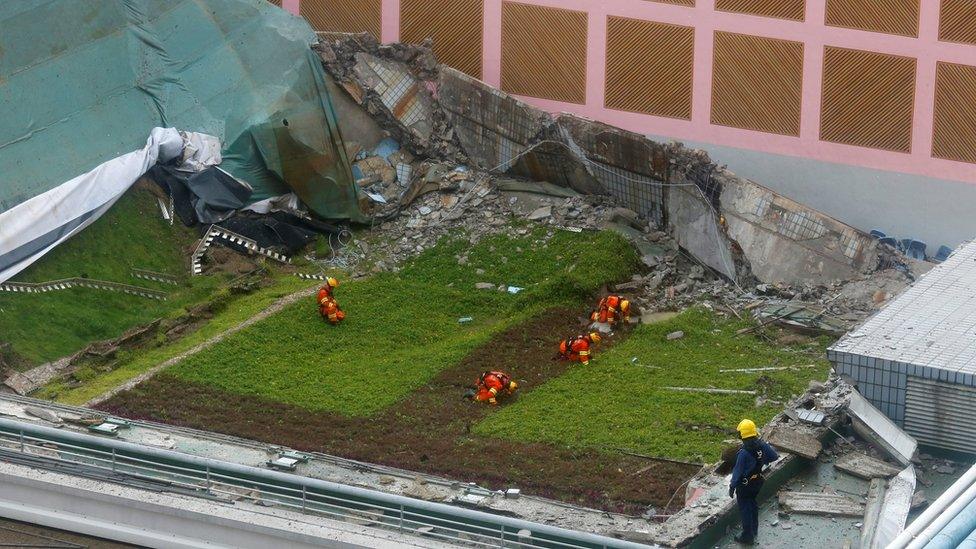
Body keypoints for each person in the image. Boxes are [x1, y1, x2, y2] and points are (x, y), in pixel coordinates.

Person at [729, 419, 779, 545]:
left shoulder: (743, 453)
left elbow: (737, 472)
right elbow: (774, 456)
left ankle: (747, 536)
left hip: (745, 486)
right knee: (752, 505)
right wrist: (762, 459)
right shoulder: (762, 445)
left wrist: (732, 486)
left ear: (742, 435)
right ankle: (754, 530)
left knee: (745, 508)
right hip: (757, 482)